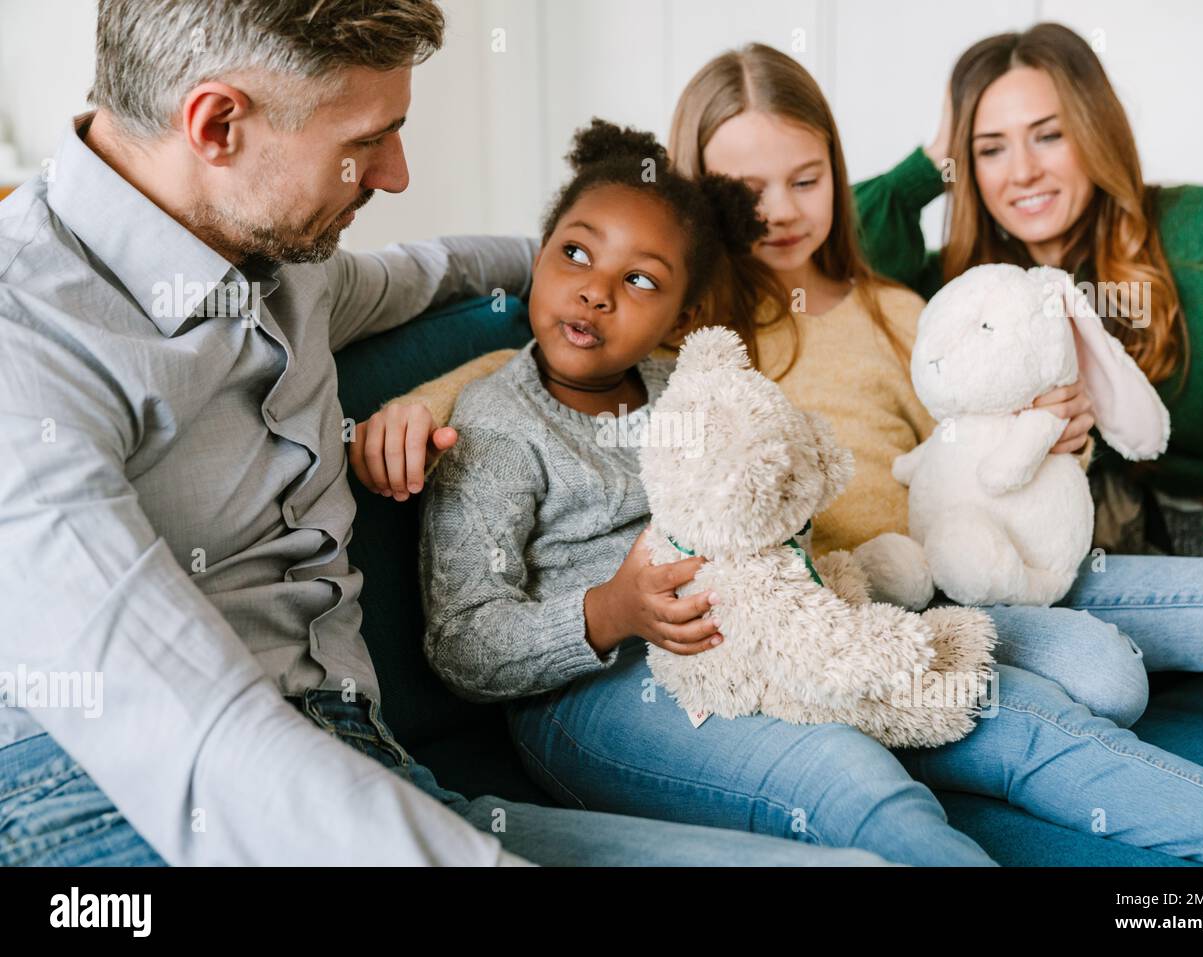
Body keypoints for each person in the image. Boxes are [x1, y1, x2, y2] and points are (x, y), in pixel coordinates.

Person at [0, 0, 890, 868]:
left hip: (373, 766)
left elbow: (439, 269)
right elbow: (187, 736)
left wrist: (598, 263)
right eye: (364, 144)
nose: (396, 175)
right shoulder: (25, 338)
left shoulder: (285, 264)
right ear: (218, 125)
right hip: (108, 798)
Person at [367, 111, 1203, 867]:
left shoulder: (700, 387)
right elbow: (462, 644)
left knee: (1005, 703)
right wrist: (608, 611)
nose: (596, 291)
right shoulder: (493, 428)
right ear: (537, 257)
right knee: (853, 778)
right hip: (599, 694)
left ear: (684, 317)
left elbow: (783, 516)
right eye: (573, 254)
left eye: (638, 279)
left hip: (785, 632)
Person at [853, 22, 1203, 724]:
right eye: (990, 148)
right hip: (1094, 563)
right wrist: (933, 156)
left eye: (1048, 135)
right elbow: (846, 236)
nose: (1021, 171)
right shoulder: (974, 288)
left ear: (1095, 131)